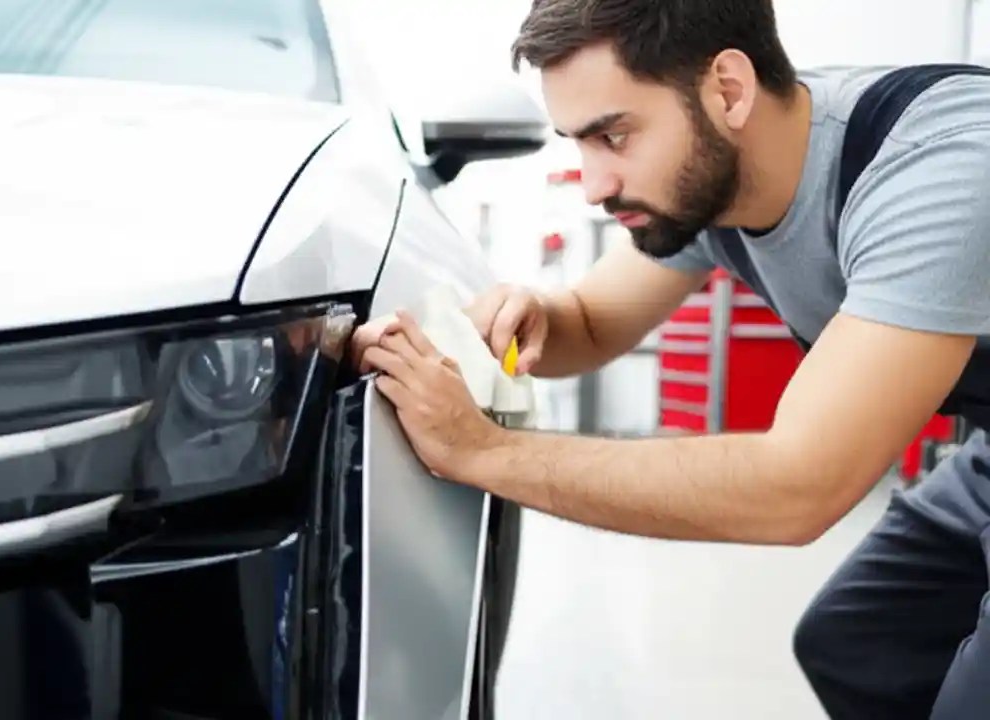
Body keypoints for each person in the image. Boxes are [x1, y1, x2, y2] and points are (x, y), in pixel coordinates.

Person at [350, 1, 990, 718]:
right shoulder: (720, 177)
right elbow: (589, 324)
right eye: (578, 144)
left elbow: (799, 487)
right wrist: (531, 316)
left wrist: (482, 452)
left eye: (613, 135)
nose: (593, 186)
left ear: (728, 89)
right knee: (859, 639)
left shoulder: (938, 166)